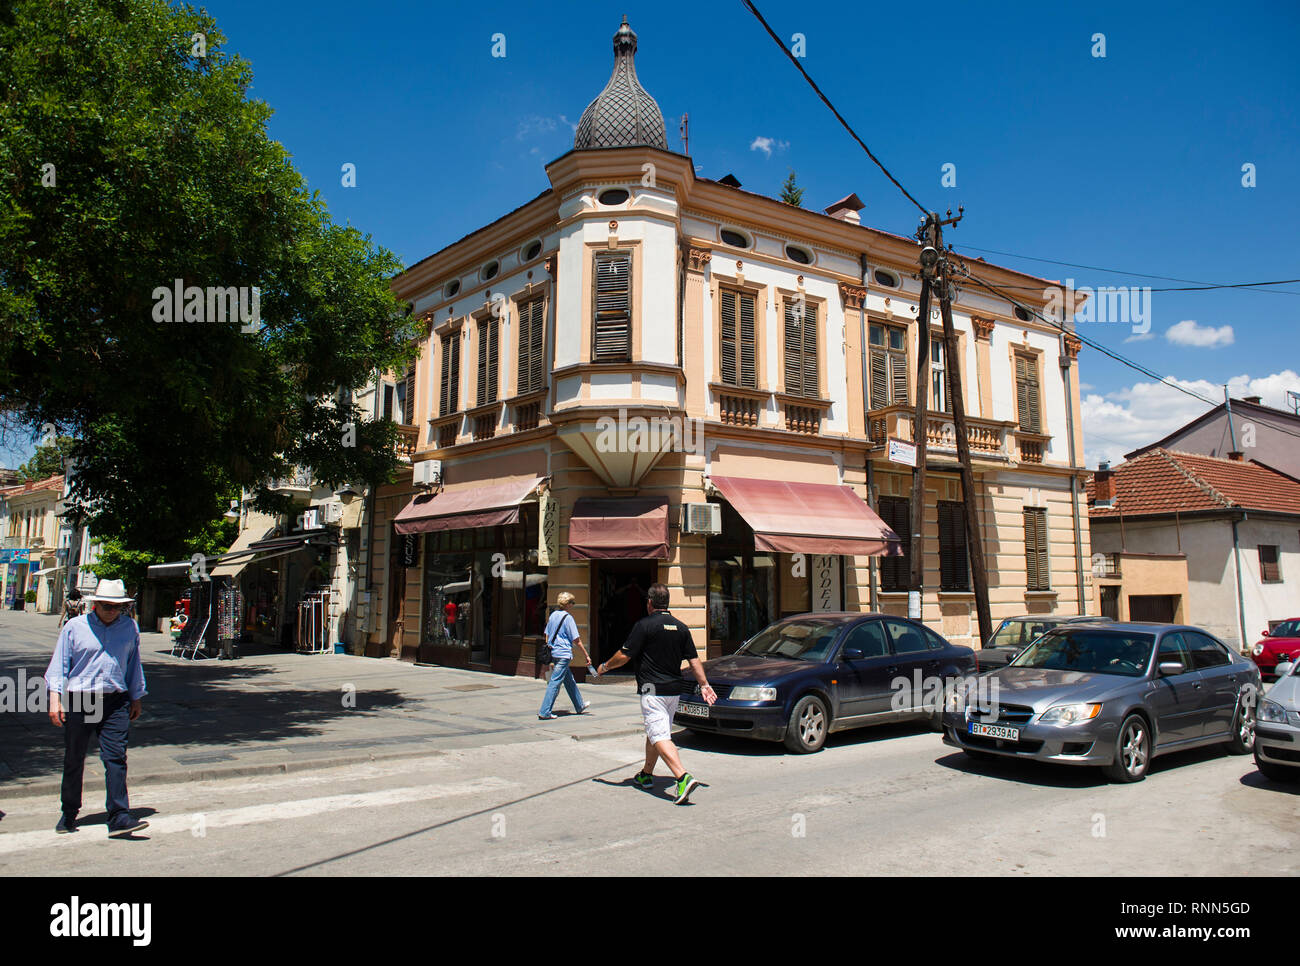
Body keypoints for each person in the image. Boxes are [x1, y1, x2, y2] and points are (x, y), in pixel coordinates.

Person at [45, 578, 149, 837]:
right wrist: (54, 699)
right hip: (81, 699)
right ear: (95, 605)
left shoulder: (129, 628)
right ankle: (69, 813)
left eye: (116, 607)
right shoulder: (74, 627)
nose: (111, 611)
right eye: (105, 606)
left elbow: (134, 664)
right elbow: (60, 665)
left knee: (115, 757)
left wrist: (136, 696)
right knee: (74, 758)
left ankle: (119, 816)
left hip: (116, 701)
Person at [596, 583, 716, 804]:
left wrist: (604, 667)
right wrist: (705, 685)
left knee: (659, 735)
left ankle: (682, 776)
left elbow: (624, 655)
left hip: (653, 690)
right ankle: (646, 774)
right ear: (667, 602)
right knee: (656, 731)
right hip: (673, 690)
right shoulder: (681, 627)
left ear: (649, 603)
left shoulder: (644, 625)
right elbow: (694, 660)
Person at [538, 592, 590, 720]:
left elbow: (547, 634)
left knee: (569, 680)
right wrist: (586, 655)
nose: (573, 605)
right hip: (563, 654)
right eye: (572, 603)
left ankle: (579, 705)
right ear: (567, 604)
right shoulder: (568, 618)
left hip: (555, 652)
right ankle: (545, 711)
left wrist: (550, 645)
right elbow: (576, 639)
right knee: (555, 682)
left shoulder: (553, 615)